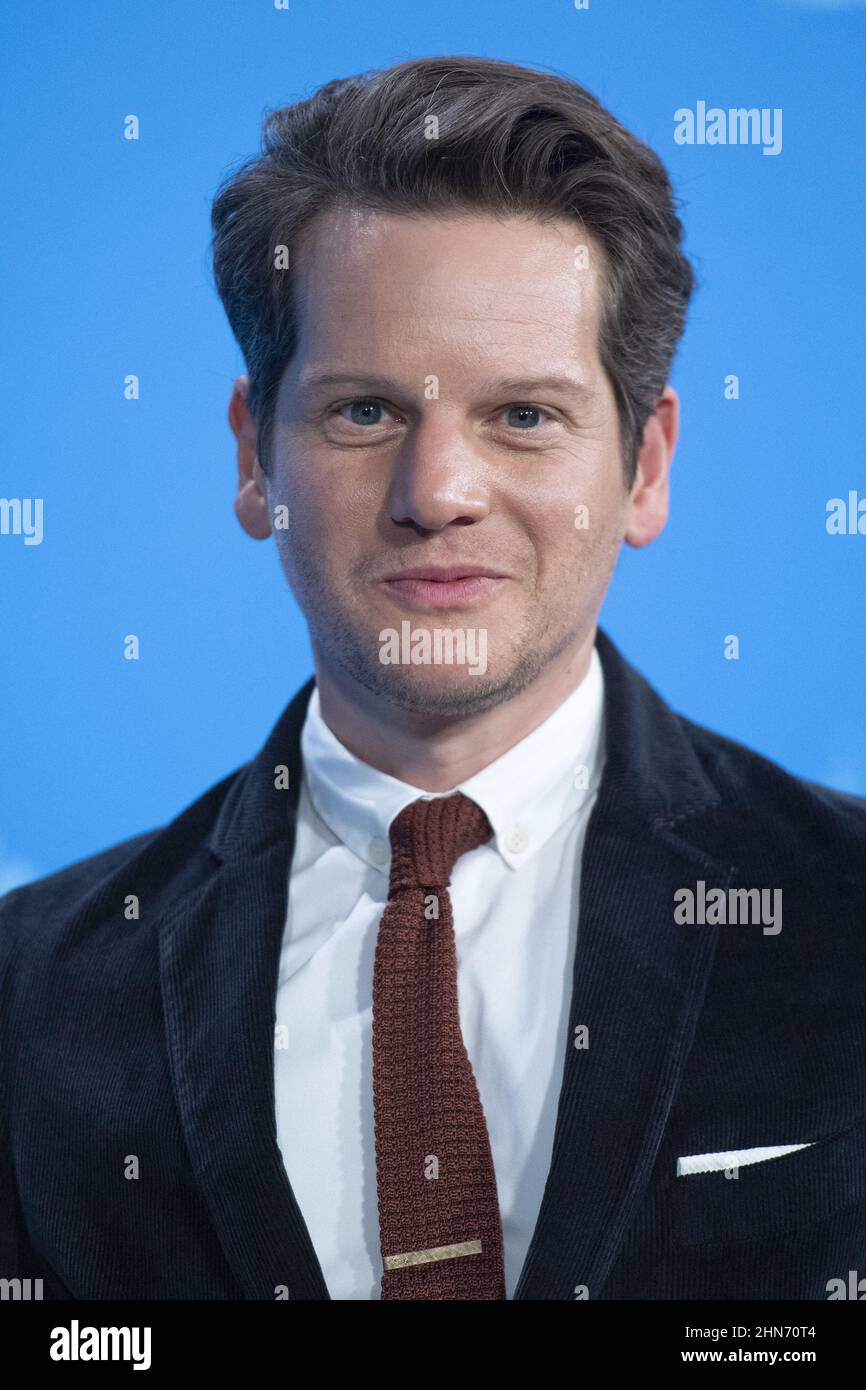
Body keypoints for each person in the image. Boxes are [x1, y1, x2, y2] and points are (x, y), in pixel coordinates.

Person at [2, 56, 864, 1302]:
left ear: (645, 467)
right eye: (362, 413)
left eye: (522, 414)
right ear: (255, 458)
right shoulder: (34, 990)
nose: (437, 494)